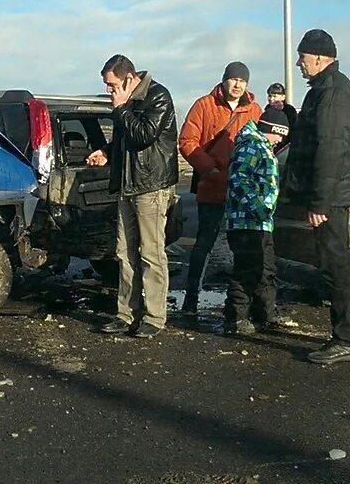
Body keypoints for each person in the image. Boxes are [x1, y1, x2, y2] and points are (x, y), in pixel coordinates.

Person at [282, 29, 350, 364]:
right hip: (332, 194)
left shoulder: (334, 92)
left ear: (321, 58)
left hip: (331, 197)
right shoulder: (325, 89)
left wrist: (319, 202)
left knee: (334, 266)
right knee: (343, 261)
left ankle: (345, 339)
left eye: (303, 57)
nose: (299, 63)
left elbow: (330, 149)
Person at [86, 54, 178, 339]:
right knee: (124, 253)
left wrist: (122, 109)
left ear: (128, 79)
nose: (108, 91)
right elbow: (127, 140)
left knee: (151, 253)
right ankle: (126, 314)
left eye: (111, 85)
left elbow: (144, 135)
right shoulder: (125, 104)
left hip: (151, 186)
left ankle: (154, 317)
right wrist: (108, 152)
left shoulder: (158, 96)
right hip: (128, 184)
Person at [178, 61, 262, 317]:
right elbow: (187, 141)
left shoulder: (254, 110)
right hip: (212, 187)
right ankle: (191, 298)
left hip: (241, 191)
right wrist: (209, 169)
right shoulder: (204, 105)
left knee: (243, 247)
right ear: (224, 80)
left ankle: (238, 304)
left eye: (242, 81)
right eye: (233, 79)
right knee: (204, 243)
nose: (237, 85)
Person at [223, 108, 289, 335]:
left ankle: (265, 313)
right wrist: (259, 208)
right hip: (247, 223)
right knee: (247, 269)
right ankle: (236, 317)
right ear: (270, 129)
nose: (281, 140)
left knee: (265, 268)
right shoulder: (252, 146)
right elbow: (238, 180)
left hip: (260, 223)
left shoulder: (262, 147)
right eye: (279, 134)